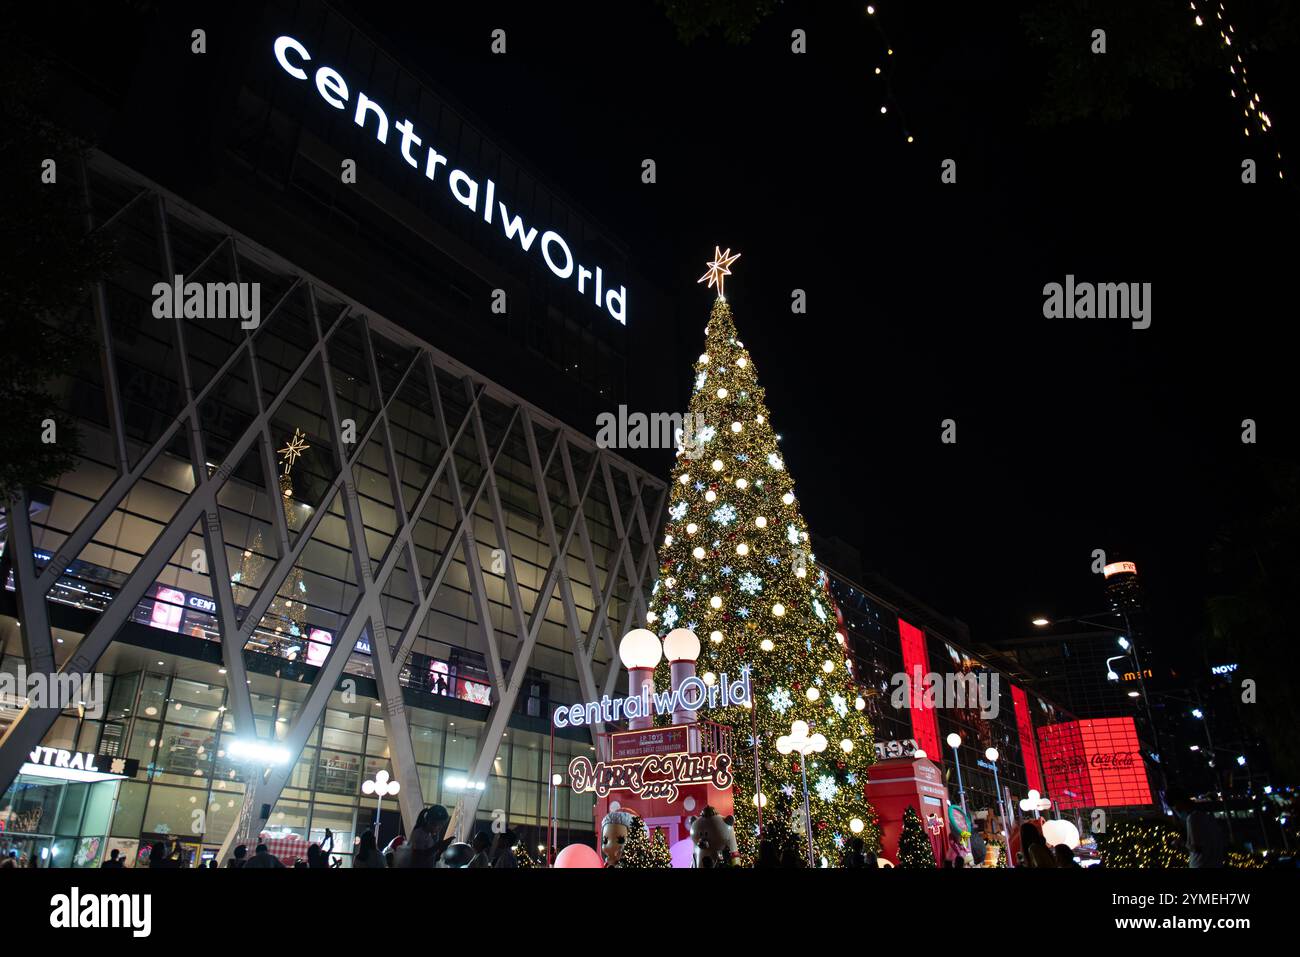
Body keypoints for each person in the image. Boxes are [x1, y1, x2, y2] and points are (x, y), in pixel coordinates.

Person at [1172, 794, 1227, 868]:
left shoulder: (1192, 818)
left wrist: (1181, 844)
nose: (1177, 813)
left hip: (1201, 864)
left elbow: (1196, 847)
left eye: (1177, 809)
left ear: (1181, 804)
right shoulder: (1208, 818)